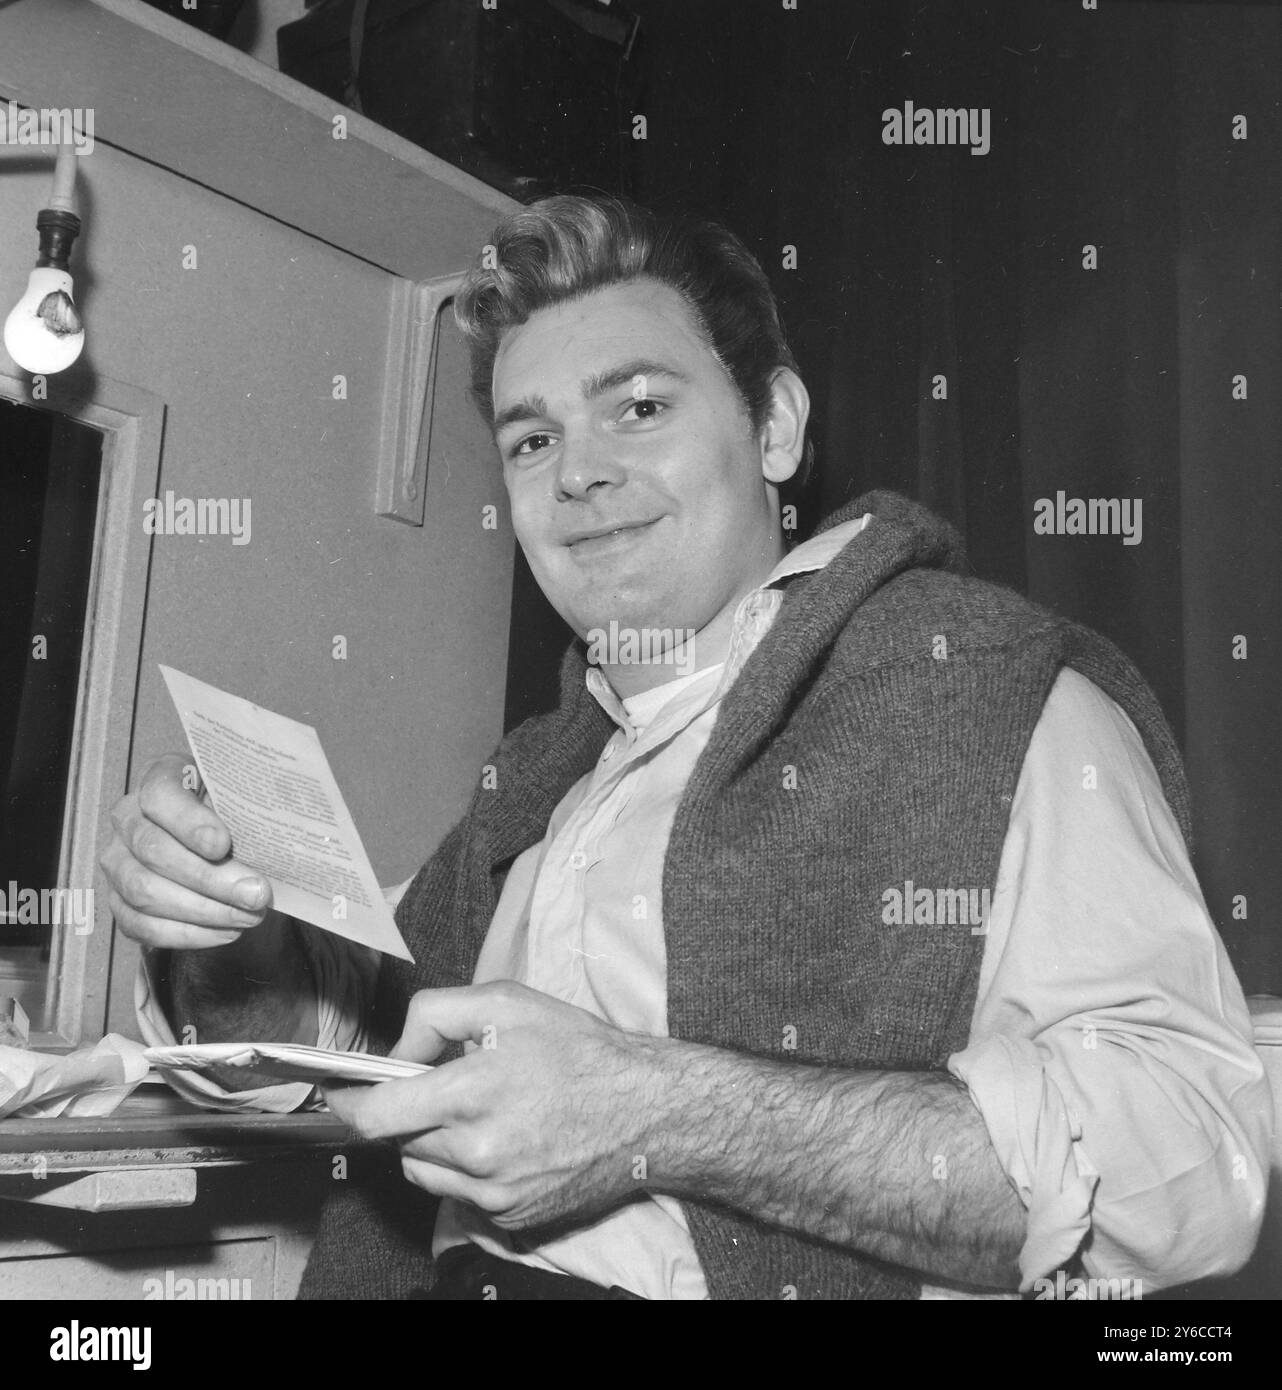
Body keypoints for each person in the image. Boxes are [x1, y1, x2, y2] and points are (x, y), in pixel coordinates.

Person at [101, 194, 1270, 1301]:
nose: (580, 472)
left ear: (775, 428)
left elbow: (1195, 1163)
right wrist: (226, 930)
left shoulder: (992, 693)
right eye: (530, 439)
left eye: (640, 407)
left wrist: (657, 1114)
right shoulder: (542, 775)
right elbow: (353, 1045)